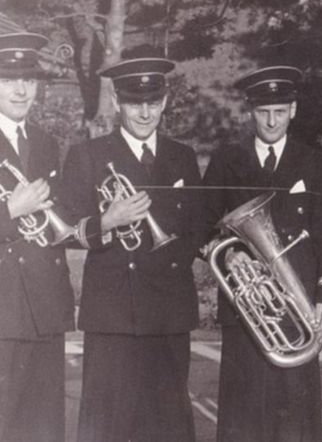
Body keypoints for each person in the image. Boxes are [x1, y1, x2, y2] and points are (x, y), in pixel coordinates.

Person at [60, 55, 204, 442]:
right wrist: (107, 221)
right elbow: (65, 229)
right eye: (134, 102)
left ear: (165, 101)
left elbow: (196, 227)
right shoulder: (87, 155)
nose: (144, 113)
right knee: (107, 427)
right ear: (117, 102)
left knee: (169, 429)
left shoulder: (183, 156)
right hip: (113, 317)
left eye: (153, 102)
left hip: (169, 314)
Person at [202, 63, 322, 442]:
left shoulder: (315, 162)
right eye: (264, 112)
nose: (272, 121)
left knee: (296, 421)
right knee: (243, 421)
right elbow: (202, 223)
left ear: (293, 109)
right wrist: (228, 254)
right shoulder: (227, 159)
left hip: (298, 308)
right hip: (245, 313)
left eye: (280, 111)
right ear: (251, 111)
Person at [0, 30, 75, 442]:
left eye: (28, 80)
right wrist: (11, 211)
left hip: (45, 304)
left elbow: (58, 215)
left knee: (46, 427)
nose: (21, 90)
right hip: (3, 306)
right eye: (9, 80)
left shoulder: (46, 142)